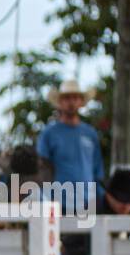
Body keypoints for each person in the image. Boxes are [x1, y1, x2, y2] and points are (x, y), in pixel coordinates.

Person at [36, 79, 104, 213]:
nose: (71, 102)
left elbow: (97, 169)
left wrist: (99, 196)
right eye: (67, 98)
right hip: (58, 202)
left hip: (87, 201)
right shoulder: (49, 133)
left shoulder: (90, 133)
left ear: (81, 102)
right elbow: (42, 167)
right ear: (60, 102)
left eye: (75, 98)